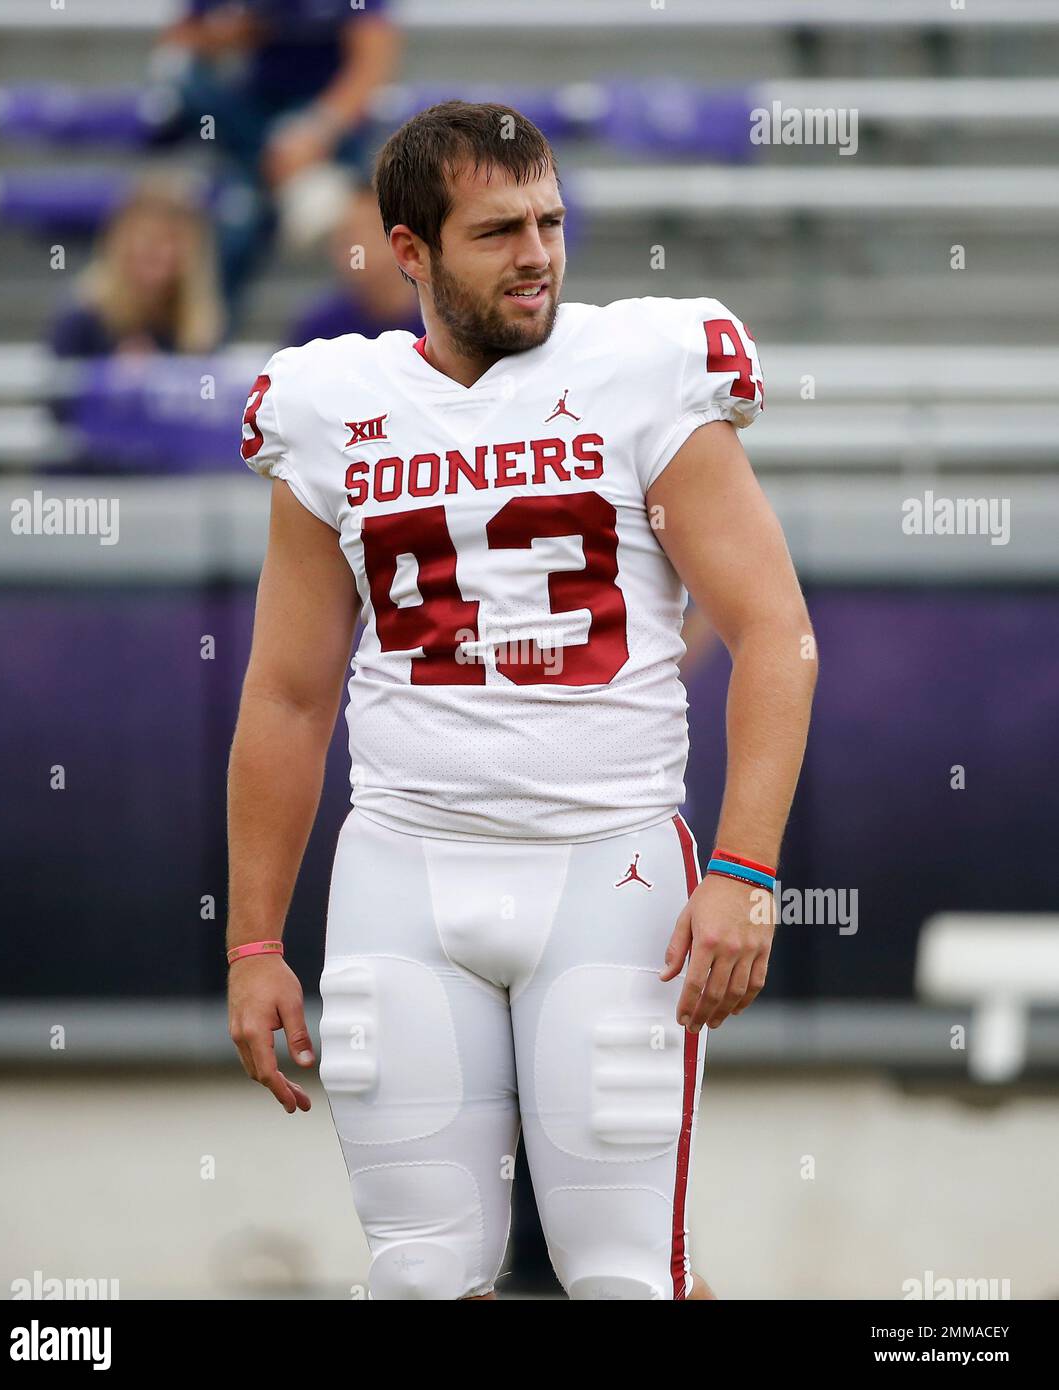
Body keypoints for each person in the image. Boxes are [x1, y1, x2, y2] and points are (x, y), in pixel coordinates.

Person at [226, 101, 817, 1301]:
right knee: (419, 1274)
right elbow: (287, 697)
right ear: (410, 251)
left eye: (549, 220)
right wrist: (252, 939)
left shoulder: (642, 370)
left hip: (610, 870)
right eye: (498, 230)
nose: (539, 252)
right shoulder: (332, 406)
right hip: (402, 867)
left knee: (621, 1276)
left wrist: (746, 873)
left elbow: (776, 635)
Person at [152, 0, 400, 312]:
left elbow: (372, 60)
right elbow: (176, 52)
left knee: (357, 240)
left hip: (329, 126)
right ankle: (293, 183)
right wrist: (228, 34)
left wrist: (314, 132)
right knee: (233, 227)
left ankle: (287, 181)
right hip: (250, 122)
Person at [49, 180, 223, 359]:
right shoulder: (82, 319)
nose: (161, 252)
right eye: (148, 238)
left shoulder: (199, 324)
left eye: (172, 240)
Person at [286, 185, 423, 346]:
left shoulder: (440, 325)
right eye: (342, 237)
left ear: (399, 241)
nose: (344, 249)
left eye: (354, 235)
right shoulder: (321, 328)